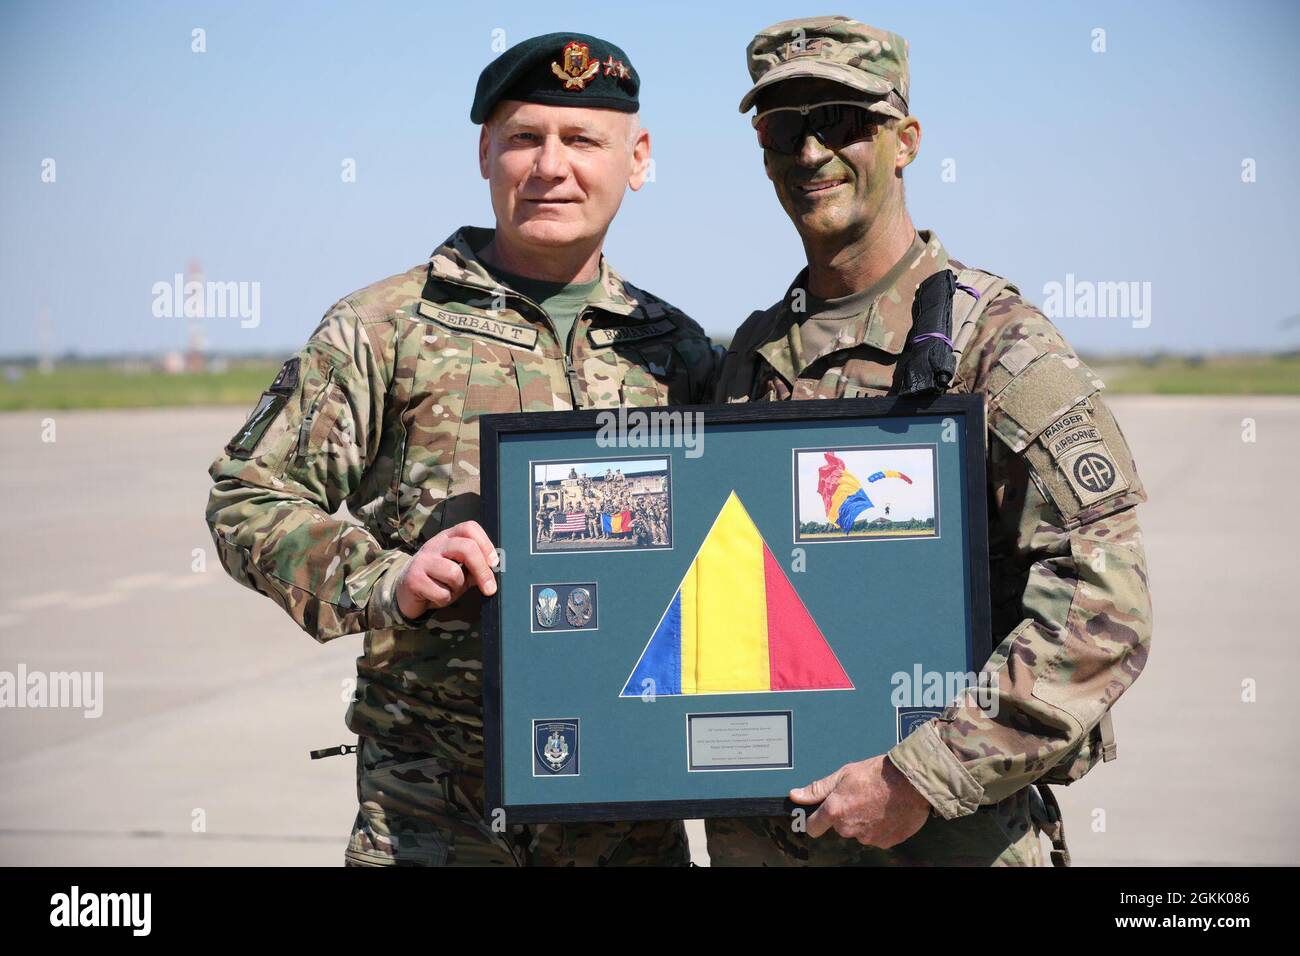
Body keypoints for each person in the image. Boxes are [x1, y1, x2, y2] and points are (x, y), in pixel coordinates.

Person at [206, 31, 714, 866]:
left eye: (583, 139)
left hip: (628, 815)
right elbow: (248, 496)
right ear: (486, 152)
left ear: (639, 157)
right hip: (434, 817)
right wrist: (387, 580)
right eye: (524, 138)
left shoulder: (676, 351)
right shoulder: (386, 328)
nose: (551, 166)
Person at [709, 16, 1152, 866]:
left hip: (943, 838)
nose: (810, 154)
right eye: (783, 129)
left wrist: (919, 776)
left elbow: (1105, 607)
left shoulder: (996, 344)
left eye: (842, 120)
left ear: (905, 140)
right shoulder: (749, 358)